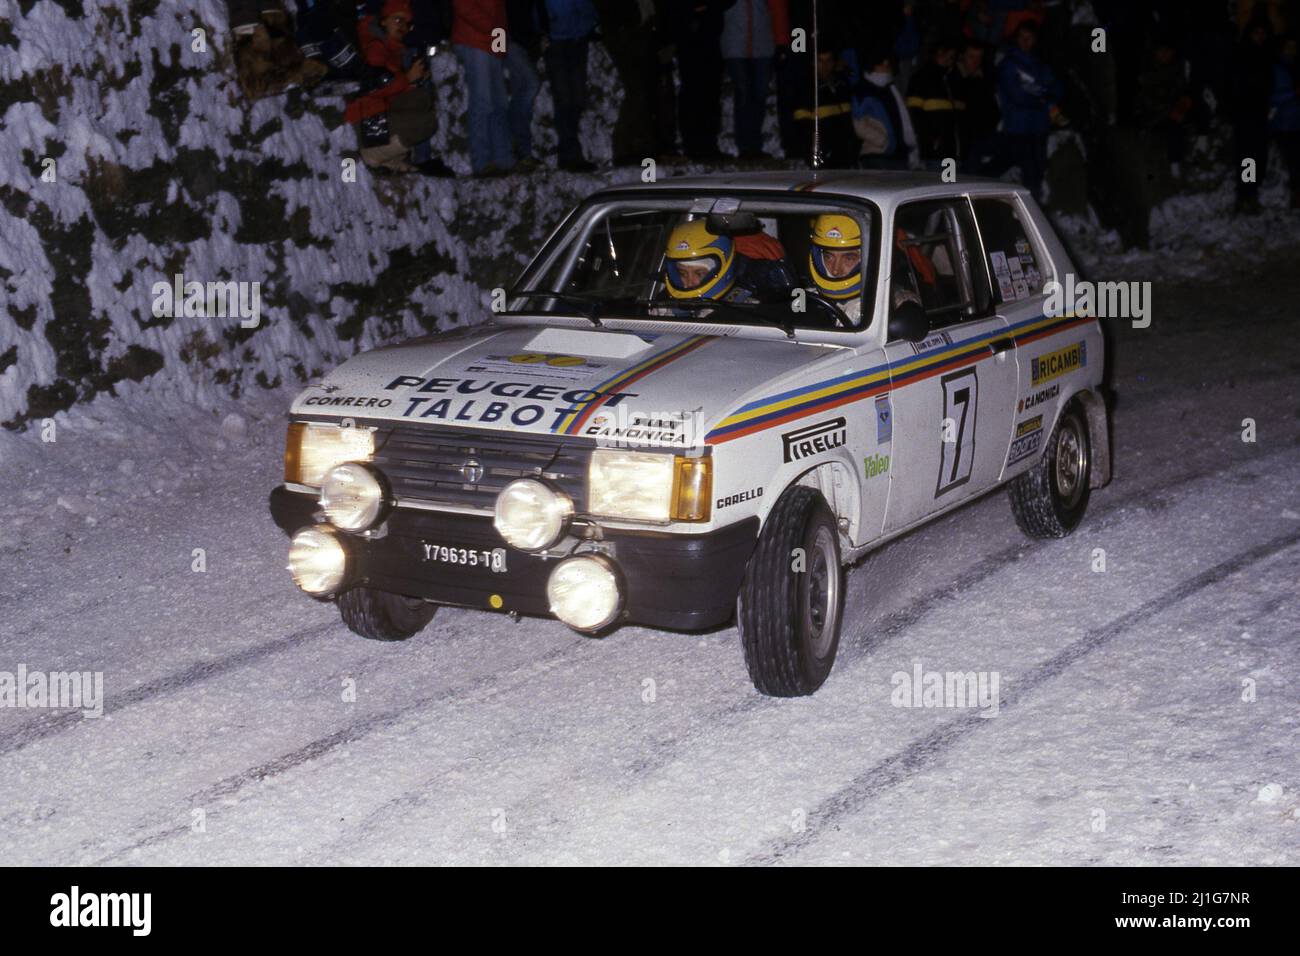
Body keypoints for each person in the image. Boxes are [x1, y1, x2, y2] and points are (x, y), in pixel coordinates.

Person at [344, 0, 452, 176]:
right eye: (397, 20)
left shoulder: (392, 47)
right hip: (366, 118)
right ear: (383, 21)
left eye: (406, 23)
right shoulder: (375, 46)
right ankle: (372, 154)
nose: (402, 26)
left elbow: (393, 87)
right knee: (426, 123)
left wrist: (412, 82)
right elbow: (375, 87)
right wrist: (407, 78)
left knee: (420, 98)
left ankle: (392, 158)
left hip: (378, 112)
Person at [997, 19, 1061, 201]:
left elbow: (1055, 88)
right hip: (1018, 126)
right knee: (1025, 170)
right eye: (1022, 37)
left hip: (1039, 126)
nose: (1025, 42)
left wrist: (1043, 96)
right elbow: (1016, 95)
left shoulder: (1040, 64)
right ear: (1016, 38)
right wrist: (1041, 97)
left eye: (1030, 38)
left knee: (1038, 170)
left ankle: (1035, 209)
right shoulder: (1009, 63)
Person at [452, 0, 515, 176]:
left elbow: (500, 11)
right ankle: (482, 161)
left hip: (491, 42)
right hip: (473, 40)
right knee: (483, 102)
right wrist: (491, 27)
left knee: (499, 103)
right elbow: (464, 5)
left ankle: (503, 159)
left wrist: (500, 46)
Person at [662, 220, 794, 304]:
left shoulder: (750, 307)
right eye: (683, 274)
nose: (689, 283)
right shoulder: (663, 302)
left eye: (699, 273)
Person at [721, 0, 787, 160]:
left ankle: (754, 144)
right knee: (743, 93)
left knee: (759, 93)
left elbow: (778, 9)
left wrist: (781, 42)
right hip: (734, 43)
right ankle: (745, 145)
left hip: (763, 43)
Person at [667, 0, 731, 161]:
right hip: (689, 38)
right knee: (693, 92)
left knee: (710, 92)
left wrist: (708, 8)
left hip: (709, 36)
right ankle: (693, 145)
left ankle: (708, 144)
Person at [541, 0, 599, 171]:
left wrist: (587, 23)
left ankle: (570, 150)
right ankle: (570, 152)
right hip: (557, 40)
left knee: (577, 97)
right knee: (564, 98)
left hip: (577, 37)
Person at [1229, 17, 1275, 214]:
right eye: (1257, 33)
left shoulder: (1266, 55)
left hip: (1259, 113)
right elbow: (1237, 84)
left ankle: (1251, 191)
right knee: (1248, 156)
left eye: (1263, 33)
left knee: (1257, 155)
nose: (1260, 37)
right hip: (1245, 113)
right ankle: (1245, 194)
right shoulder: (1242, 54)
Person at [851, 48, 920, 170]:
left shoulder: (891, 88)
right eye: (882, 63)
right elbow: (858, 124)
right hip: (876, 155)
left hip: (899, 155)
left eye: (888, 63)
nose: (886, 66)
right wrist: (884, 141)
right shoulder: (863, 90)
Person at [791, 50, 858, 168]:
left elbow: (850, 123)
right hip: (824, 158)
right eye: (820, 61)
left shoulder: (841, 85)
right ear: (813, 63)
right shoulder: (807, 89)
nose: (825, 66)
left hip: (846, 156)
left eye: (828, 61)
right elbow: (803, 129)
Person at [906, 38, 961, 167]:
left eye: (951, 56)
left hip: (950, 151)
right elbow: (913, 115)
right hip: (931, 150)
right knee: (933, 184)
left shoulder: (952, 80)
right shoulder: (921, 78)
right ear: (934, 55)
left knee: (949, 184)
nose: (947, 60)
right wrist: (929, 139)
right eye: (943, 55)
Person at [952, 39, 1003, 173]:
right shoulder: (950, 78)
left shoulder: (982, 81)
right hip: (952, 147)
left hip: (975, 144)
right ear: (962, 57)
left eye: (979, 57)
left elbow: (993, 112)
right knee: (949, 185)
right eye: (971, 57)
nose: (975, 61)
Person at [505, 0, 543, 170]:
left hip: (524, 41)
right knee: (530, 85)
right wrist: (498, 46)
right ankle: (518, 147)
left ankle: (521, 152)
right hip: (509, 39)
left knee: (522, 94)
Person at [807, 214, 864, 320]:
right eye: (828, 257)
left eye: (848, 258)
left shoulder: (875, 306)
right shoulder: (806, 297)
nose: (836, 270)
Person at [1270, 35, 1300, 210]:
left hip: (1295, 121)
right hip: (1284, 124)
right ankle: (1247, 191)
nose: (1291, 50)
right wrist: (1293, 94)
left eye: (1294, 46)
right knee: (1249, 157)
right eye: (1288, 46)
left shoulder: (1295, 67)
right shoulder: (1276, 69)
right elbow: (1271, 97)